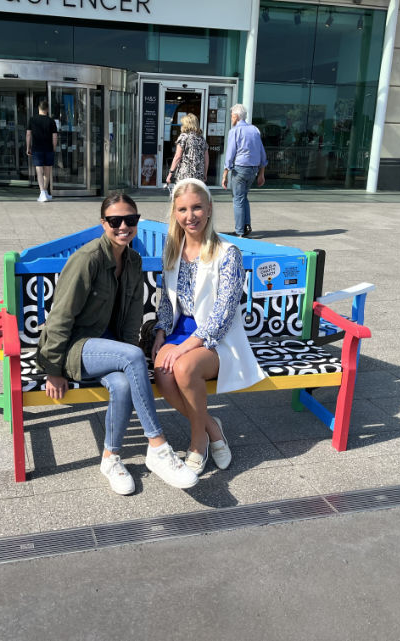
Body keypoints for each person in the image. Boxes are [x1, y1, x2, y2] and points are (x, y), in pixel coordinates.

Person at [36, 192, 198, 495]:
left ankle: (110, 458)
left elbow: (132, 319)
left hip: (108, 348)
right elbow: (60, 317)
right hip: (74, 348)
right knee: (134, 356)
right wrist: (53, 369)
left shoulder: (134, 261)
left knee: (123, 383)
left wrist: (125, 358)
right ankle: (158, 447)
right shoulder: (88, 260)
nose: (123, 226)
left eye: (130, 219)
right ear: (103, 223)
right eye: (115, 220)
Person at [152, 178, 266, 474]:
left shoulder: (227, 253)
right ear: (175, 214)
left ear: (210, 208)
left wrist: (188, 346)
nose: (191, 216)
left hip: (217, 338)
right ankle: (213, 427)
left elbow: (224, 314)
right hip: (180, 330)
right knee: (163, 373)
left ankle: (197, 443)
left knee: (184, 368)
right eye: (183, 209)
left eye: (197, 208)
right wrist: (161, 334)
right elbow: (166, 302)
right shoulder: (172, 251)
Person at [221, 104, 267, 237]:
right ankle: (246, 226)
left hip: (240, 169)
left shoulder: (234, 131)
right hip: (253, 170)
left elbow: (230, 153)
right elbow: (262, 152)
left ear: (235, 116)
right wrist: (261, 173)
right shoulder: (255, 130)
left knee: (238, 199)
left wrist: (225, 173)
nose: (231, 118)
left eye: (231, 116)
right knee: (244, 197)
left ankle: (239, 231)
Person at [26, 100, 58, 202]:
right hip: (48, 148)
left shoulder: (32, 120)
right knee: (47, 171)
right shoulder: (51, 121)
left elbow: (28, 134)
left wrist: (28, 147)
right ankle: (45, 192)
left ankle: (42, 193)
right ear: (47, 109)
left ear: (38, 108)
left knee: (39, 170)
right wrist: (53, 148)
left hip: (37, 148)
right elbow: (54, 136)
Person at [165, 113, 208, 187]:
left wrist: (170, 173)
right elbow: (206, 158)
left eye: (182, 124)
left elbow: (177, 156)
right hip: (198, 176)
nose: (181, 126)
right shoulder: (201, 139)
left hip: (185, 175)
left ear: (186, 125)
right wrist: (205, 173)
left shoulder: (183, 137)